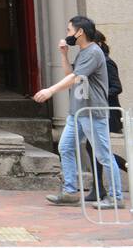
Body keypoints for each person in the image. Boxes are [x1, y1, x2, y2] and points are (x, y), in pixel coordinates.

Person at [33, 16, 123, 207]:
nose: (67, 34)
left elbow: (74, 78)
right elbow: (70, 74)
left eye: (69, 30)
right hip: (78, 111)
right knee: (65, 147)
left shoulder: (93, 52)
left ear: (79, 31)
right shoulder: (83, 52)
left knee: (103, 155)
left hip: (92, 111)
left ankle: (116, 197)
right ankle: (70, 192)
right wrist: (64, 55)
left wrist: (50, 90)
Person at [81, 33, 128, 202]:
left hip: (107, 112)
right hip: (95, 111)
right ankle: (98, 187)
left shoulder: (106, 62)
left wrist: (97, 94)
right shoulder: (92, 62)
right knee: (93, 147)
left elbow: (117, 87)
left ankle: (102, 187)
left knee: (98, 149)